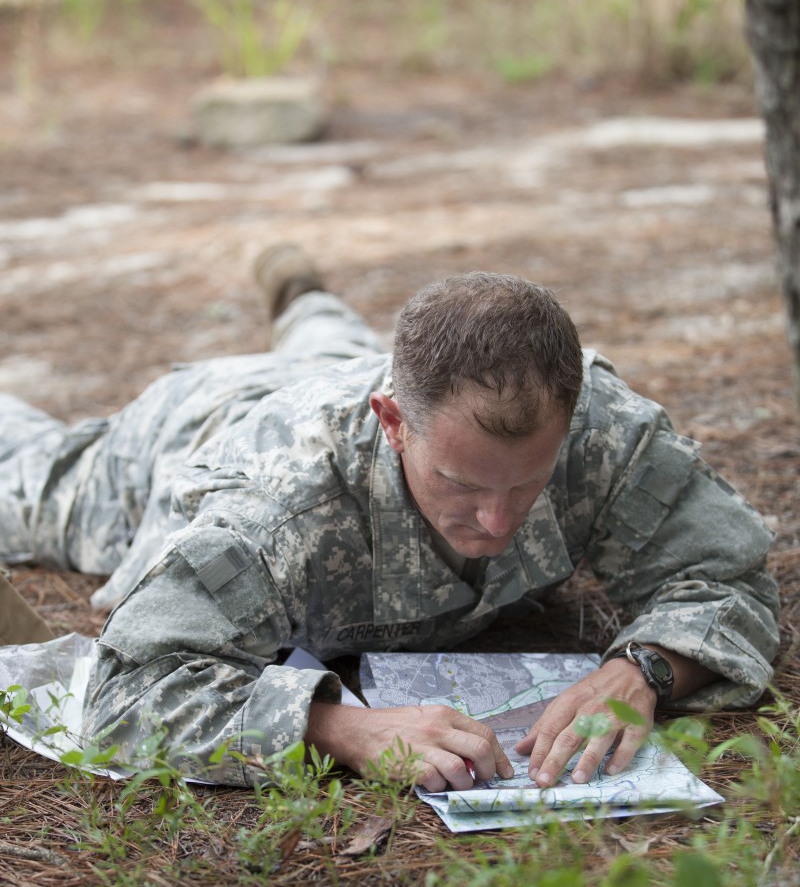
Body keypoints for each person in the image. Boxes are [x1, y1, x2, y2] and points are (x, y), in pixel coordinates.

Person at [0, 248, 780, 792]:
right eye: (460, 483)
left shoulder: (602, 429)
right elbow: (124, 694)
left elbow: (728, 573)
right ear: (392, 421)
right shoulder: (276, 505)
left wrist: (640, 669)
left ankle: (306, 301)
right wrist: (338, 729)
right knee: (27, 475)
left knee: (332, 348)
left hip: (343, 375)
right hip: (198, 425)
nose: (497, 520)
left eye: (528, 484)